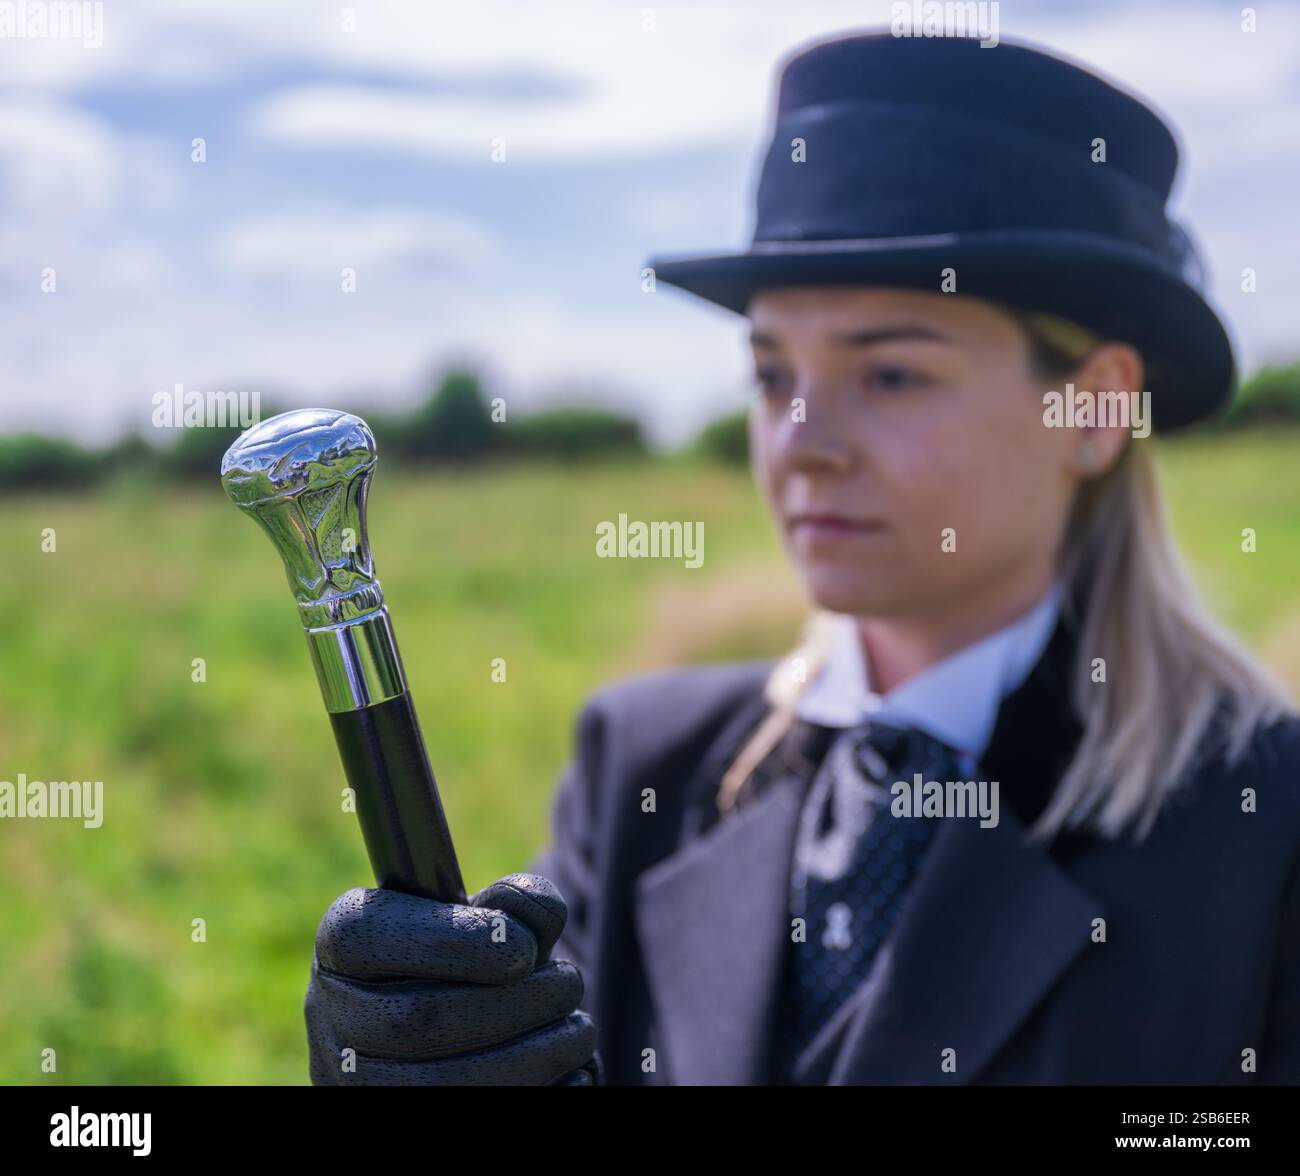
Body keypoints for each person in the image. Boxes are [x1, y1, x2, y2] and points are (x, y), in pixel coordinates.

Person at [302, 31, 1300, 1085]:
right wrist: (404, 1049)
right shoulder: (647, 767)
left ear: (1094, 409)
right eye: (772, 375)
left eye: (893, 374)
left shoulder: (1262, 829)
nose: (803, 444)